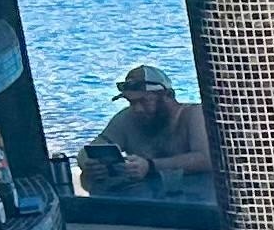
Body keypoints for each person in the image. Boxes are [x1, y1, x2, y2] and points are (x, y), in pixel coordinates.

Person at [79, 63, 212, 192]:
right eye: (131, 102)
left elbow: (206, 159)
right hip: (146, 200)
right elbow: (87, 151)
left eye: (143, 101)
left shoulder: (194, 115)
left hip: (195, 199)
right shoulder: (127, 118)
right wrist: (92, 165)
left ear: (166, 96)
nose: (137, 109)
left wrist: (150, 166)